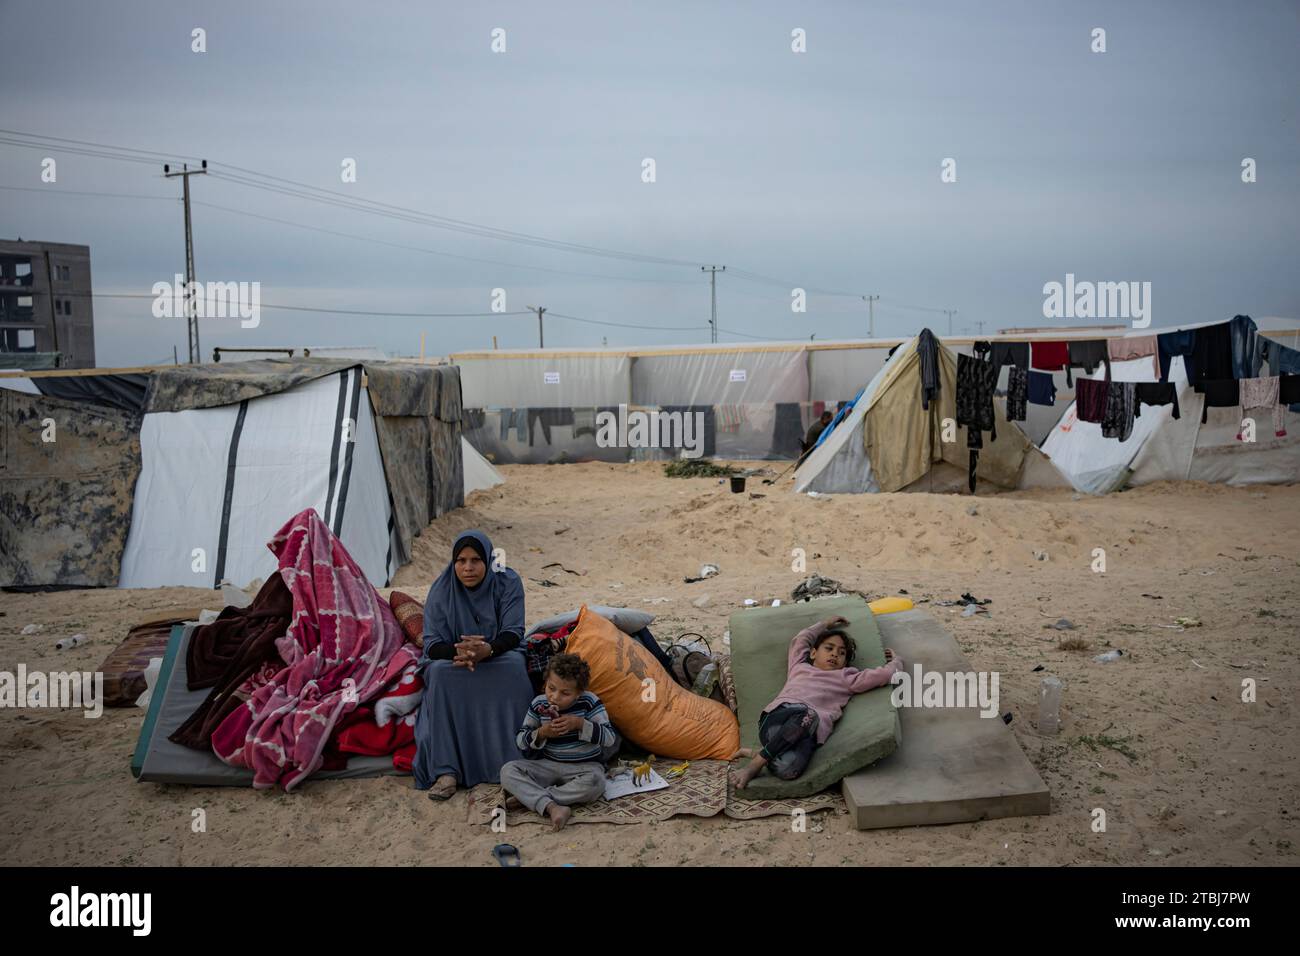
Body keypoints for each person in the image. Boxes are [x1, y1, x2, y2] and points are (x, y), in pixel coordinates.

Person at [413, 530, 534, 799]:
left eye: (476, 560)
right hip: (453, 660)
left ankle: (514, 762)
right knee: (439, 675)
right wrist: (461, 651)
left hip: (498, 655)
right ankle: (447, 772)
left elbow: (514, 631)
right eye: (461, 561)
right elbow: (432, 644)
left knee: (514, 667)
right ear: (453, 563)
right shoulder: (441, 589)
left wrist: (487, 650)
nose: (468, 568)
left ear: (489, 561)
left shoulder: (508, 582)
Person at [731, 615, 902, 789]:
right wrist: (825, 624)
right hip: (777, 719)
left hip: (806, 735)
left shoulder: (846, 678)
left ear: (845, 663)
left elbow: (884, 675)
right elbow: (801, 639)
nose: (835, 653)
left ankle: (757, 754)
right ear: (813, 653)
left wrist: (897, 662)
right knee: (808, 714)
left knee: (789, 770)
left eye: (842, 653)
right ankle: (753, 767)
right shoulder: (799, 666)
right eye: (829, 648)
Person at [499, 654, 619, 831]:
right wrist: (541, 733)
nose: (554, 697)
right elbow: (521, 741)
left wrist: (579, 724)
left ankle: (533, 798)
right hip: (549, 765)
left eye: (565, 693)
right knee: (508, 770)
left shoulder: (589, 702)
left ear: (579, 693)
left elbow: (609, 738)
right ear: (545, 682)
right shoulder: (538, 703)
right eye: (551, 688)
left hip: (585, 767)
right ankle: (553, 806)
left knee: (596, 782)